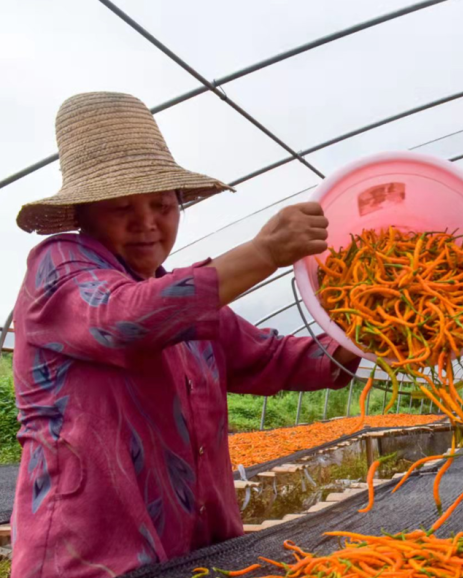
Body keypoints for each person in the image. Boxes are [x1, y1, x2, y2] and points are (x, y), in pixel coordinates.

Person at [9, 92, 360, 578]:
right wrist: (263, 252)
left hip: (199, 556)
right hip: (91, 561)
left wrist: (365, 333)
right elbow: (122, 321)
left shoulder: (179, 297)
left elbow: (271, 357)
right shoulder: (60, 270)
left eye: (163, 205)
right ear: (85, 215)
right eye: (120, 208)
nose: (147, 224)